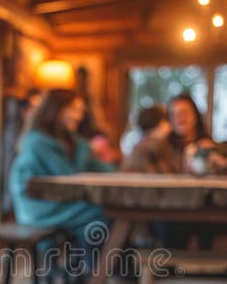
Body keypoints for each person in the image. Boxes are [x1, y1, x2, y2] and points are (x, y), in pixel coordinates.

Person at [9, 88, 113, 241]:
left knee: (107, 212)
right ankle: (95, 263)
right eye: (73, 110)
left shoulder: (68, 139)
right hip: (37, 207)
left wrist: (118, 172)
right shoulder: (37, 141)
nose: (79, 116)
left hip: (56, 202)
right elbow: (69, 178)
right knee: (102, 212)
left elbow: (99, 168)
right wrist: (88, 149)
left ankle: (92, 262)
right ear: (55, 110)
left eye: (80, 111)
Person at [167, 94, 213, 173]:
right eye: (173, 115)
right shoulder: (163, 149)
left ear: (195, 115)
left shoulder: (207, 147)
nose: (179, 119)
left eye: (184, 113)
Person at [122, 105, 174, 173]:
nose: (171, 125)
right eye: (167, 120)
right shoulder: (152, 150)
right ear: (160, 125)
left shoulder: (137, 148)